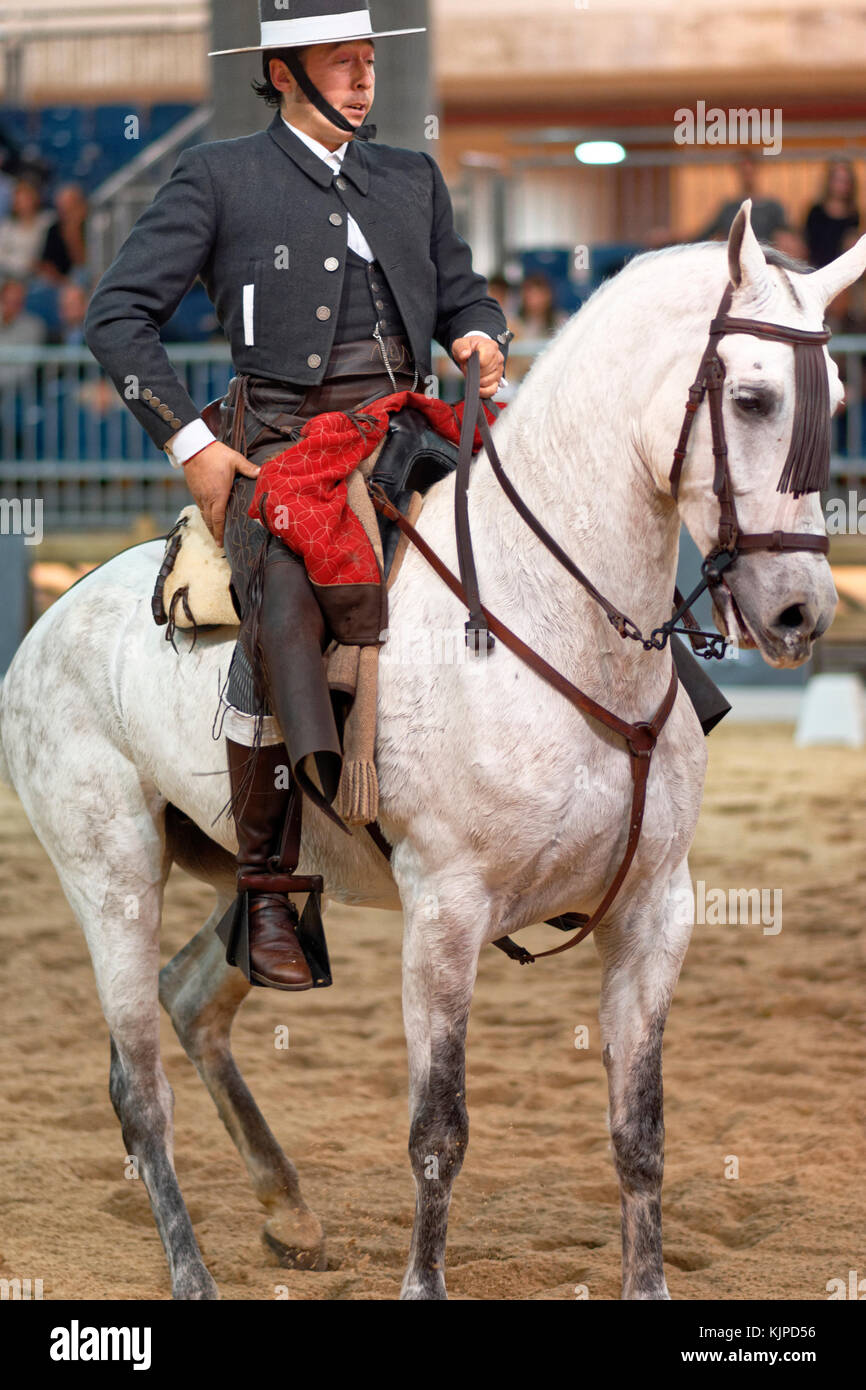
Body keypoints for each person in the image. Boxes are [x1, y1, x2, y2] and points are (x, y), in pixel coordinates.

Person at [84, 1, 511, 992]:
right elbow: (118, 315)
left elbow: (462, 293)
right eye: (341, 64)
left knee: (546, 538)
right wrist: (190, 442)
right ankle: (269, 887)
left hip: (410, 431)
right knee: (282, 603)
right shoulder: (217, 175)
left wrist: (478, 335)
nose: (364, 81)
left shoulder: (411, 177)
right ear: (283, 75)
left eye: (369, 64)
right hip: (279, 446)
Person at [695, 151, 788, 244]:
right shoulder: (729, 208)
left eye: (750, 172)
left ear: (757, 172)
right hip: (736, 256)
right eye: (744, 173)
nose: (747, 177)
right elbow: (706, 234)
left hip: (764, 255)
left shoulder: (772, 207)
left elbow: (787, 235)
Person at [804, 160, 860, 270]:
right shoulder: (815, 211)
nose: (841, 186)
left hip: (841, 269)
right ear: (829, 181)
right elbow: (806, 242)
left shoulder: (854, 214)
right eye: (838, 180)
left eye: (845, 181)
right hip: (815, 268)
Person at [0, 176, 54, 280]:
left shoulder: (48, 221)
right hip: (9, 276)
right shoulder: (6, 227)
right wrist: (24, 264)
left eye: (26, 198)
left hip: (40, 277)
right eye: (18, 199)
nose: (23, 203)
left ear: (35, 198)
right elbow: (1, 257)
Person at [35, 183, 90, 284]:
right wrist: (63, 283)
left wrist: (73, 233)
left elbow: (83, 263)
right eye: (62, 209)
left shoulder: (92, 226)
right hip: (61, 283)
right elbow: (46, 264)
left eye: (71, 208)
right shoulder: (54, 229)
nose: (66, 214)